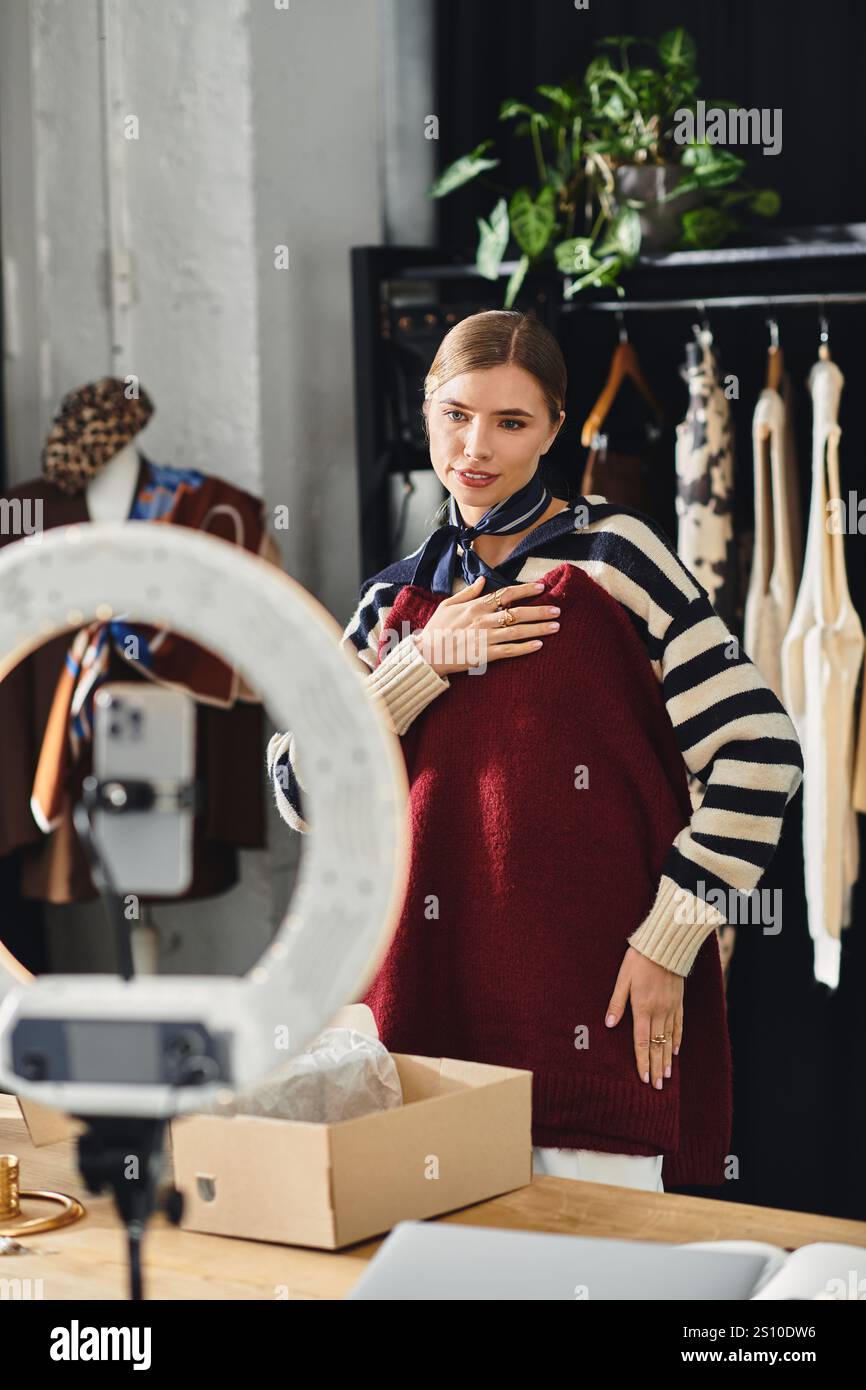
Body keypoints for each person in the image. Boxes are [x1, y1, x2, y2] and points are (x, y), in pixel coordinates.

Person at [268, 310, 804, 1194]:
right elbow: (296, 789)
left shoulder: (614, 559)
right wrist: (419, 665)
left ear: (556, 427)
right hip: (421, 1014)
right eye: (456, 414)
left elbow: (762, 750)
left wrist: (672, 938)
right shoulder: (392, 599)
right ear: (426, 411)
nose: (476, 446)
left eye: (512, 423)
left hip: (594, 1011)